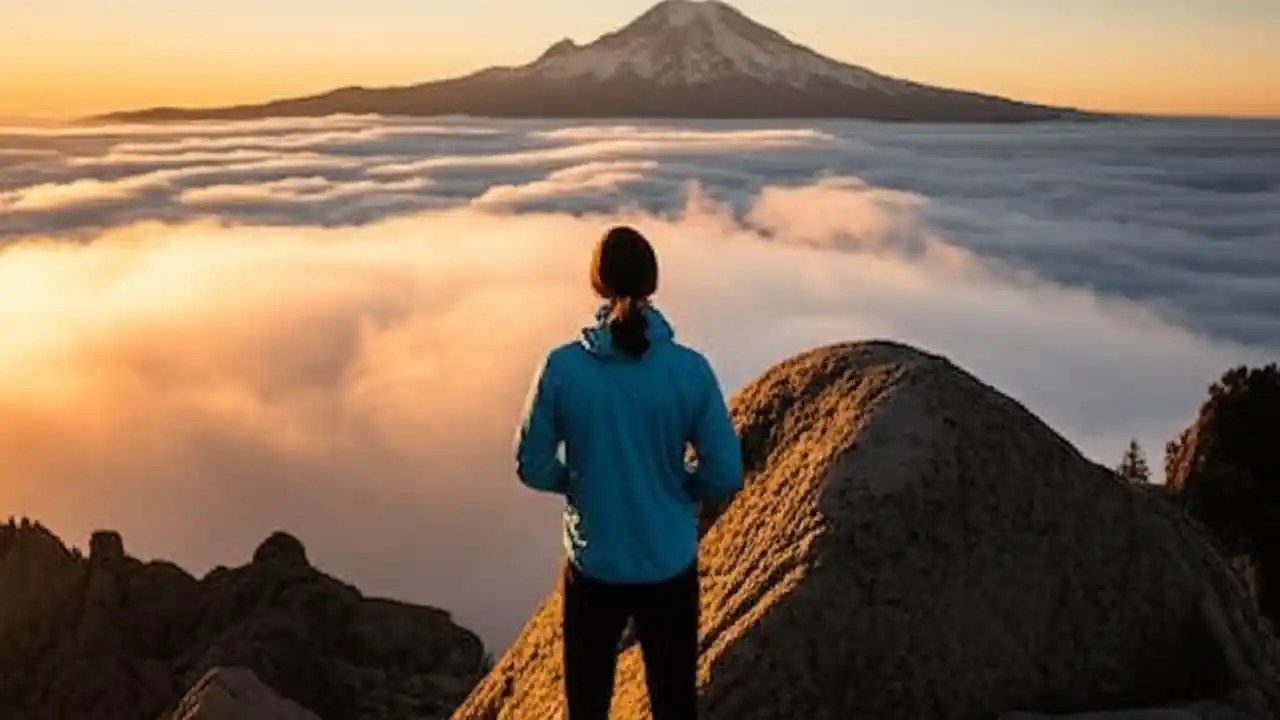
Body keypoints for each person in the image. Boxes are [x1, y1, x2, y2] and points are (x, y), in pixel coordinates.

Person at [515, 226, 743, 720]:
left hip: (595, 561)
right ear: (652, 282)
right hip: (668, 560)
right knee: (674, 701)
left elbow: (530, 465)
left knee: (589, 701)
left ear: (597, 283)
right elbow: (724, 472)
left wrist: (579, 484)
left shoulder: (563, 368)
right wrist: (681, 487)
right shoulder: (689, 370)